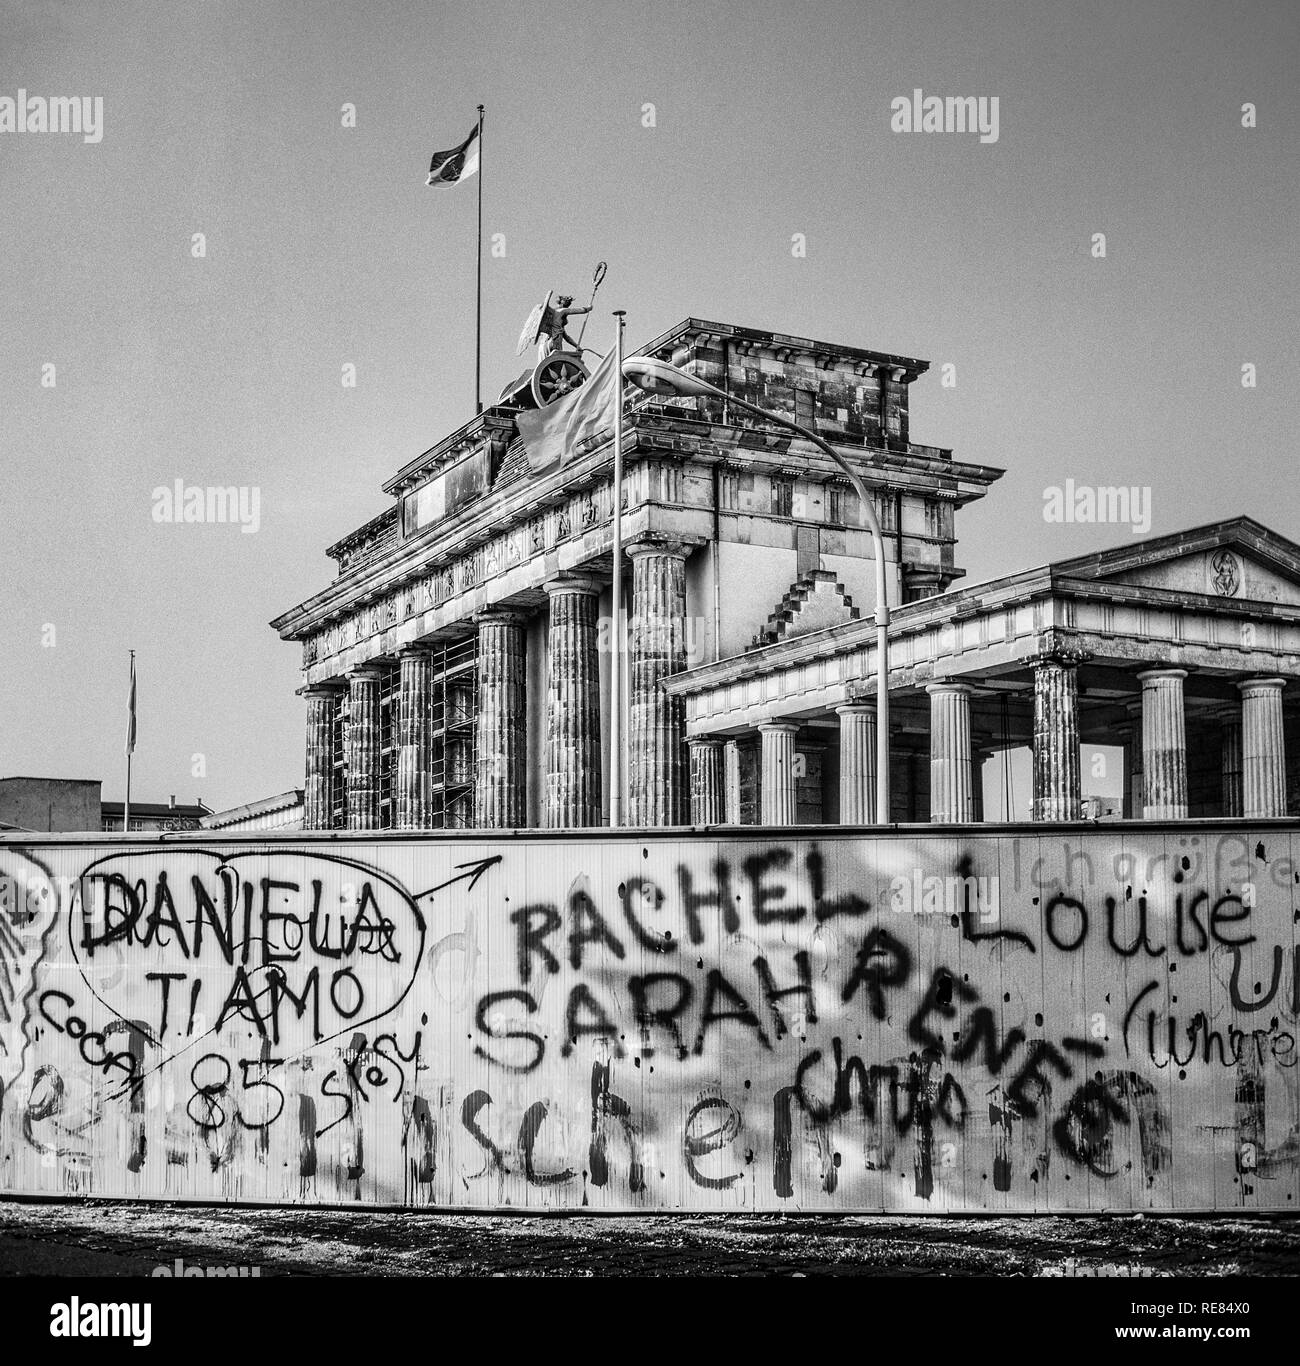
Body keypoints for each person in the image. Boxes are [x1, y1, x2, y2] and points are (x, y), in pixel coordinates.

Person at [537, 293, 591, 360]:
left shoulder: (554, 317)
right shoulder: (562, 311)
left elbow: (567, 338)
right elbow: (579, 310)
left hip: (545, 345)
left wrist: (577, 346)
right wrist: (589, 308)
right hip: (554, 342)